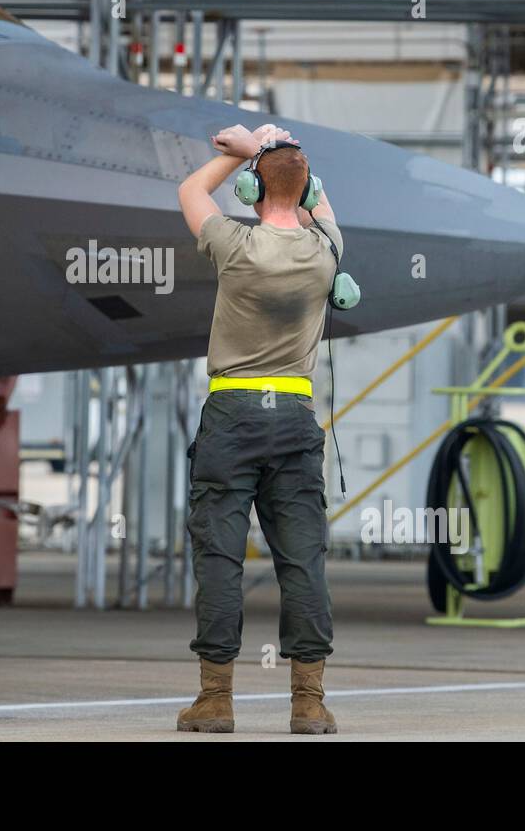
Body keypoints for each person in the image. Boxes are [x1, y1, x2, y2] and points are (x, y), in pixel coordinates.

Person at [174, 121, 343, 735]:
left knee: (219, 554)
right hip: (294, 419)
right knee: (303, 557)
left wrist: (240, 152)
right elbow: (311, 196)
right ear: (303, 192)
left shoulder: (233, 245)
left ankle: (215, 700)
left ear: (250, 191)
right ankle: (309, 701)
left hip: (231, 415)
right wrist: (280, 159)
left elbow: (190, 191)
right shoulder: (327, 248)